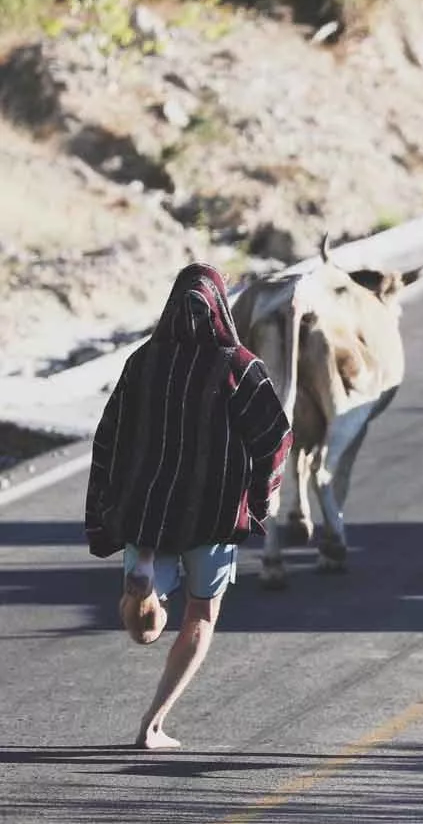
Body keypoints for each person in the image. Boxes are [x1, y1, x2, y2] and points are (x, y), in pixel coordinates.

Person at [84, 263, 292, 750]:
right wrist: (259, 497)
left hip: (146, 512)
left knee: (143, 630)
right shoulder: (239, 366)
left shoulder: (142, 361)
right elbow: (275, 438)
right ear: (221, 308)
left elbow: (109, 435)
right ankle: (152, 725)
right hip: (213, 513)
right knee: (201, 613)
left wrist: (105, 505)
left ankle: (144, 590)